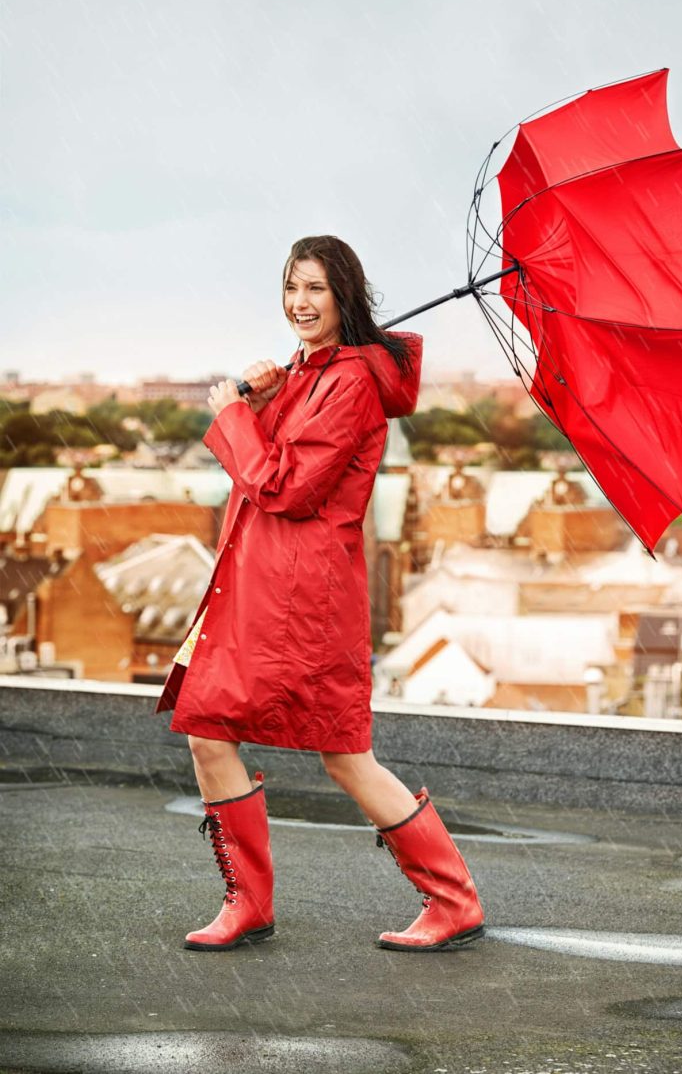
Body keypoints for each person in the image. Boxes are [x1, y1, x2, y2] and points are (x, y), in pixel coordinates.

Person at [156, 235, 484, 953]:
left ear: (345, 298)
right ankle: (248, 901)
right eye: (291, 288)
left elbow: (287, 486)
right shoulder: (314, 372)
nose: (301, 304)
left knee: (345, 755)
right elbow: (276, 462)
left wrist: (234, 416)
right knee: (208, 726)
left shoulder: (355, 381)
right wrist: (269, 397)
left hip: (304, 600)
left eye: (317, 290)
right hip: (260, 587)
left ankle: (452, 898)